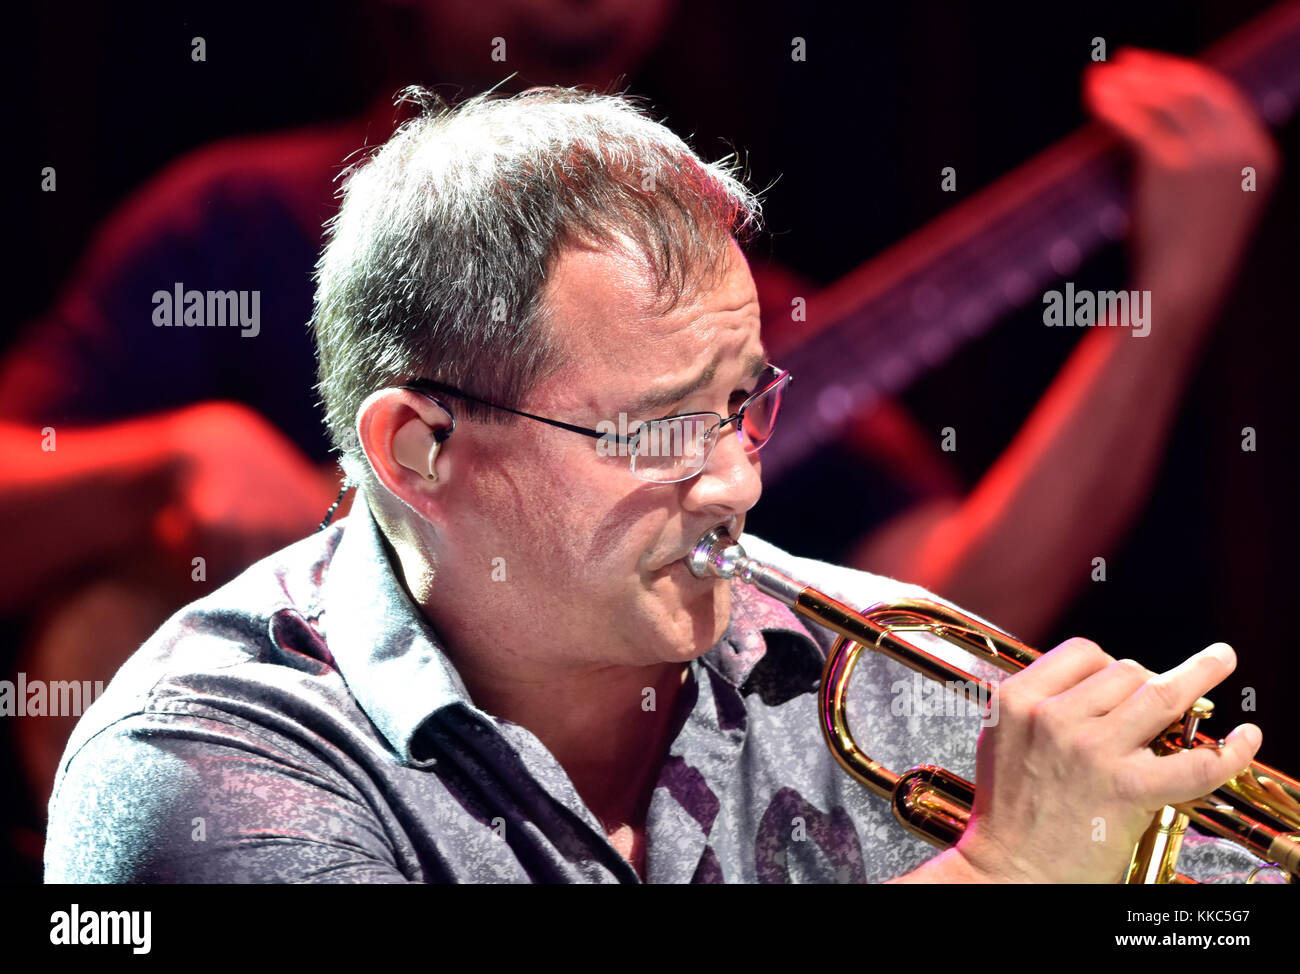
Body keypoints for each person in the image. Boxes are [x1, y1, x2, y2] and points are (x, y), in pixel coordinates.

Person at [43, 88, 1266, 883]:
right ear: (421, 449)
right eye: (652, 428)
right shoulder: (199, 766)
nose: (735, 478)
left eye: (739, 404)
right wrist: (1000, 870)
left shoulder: (867, 661)